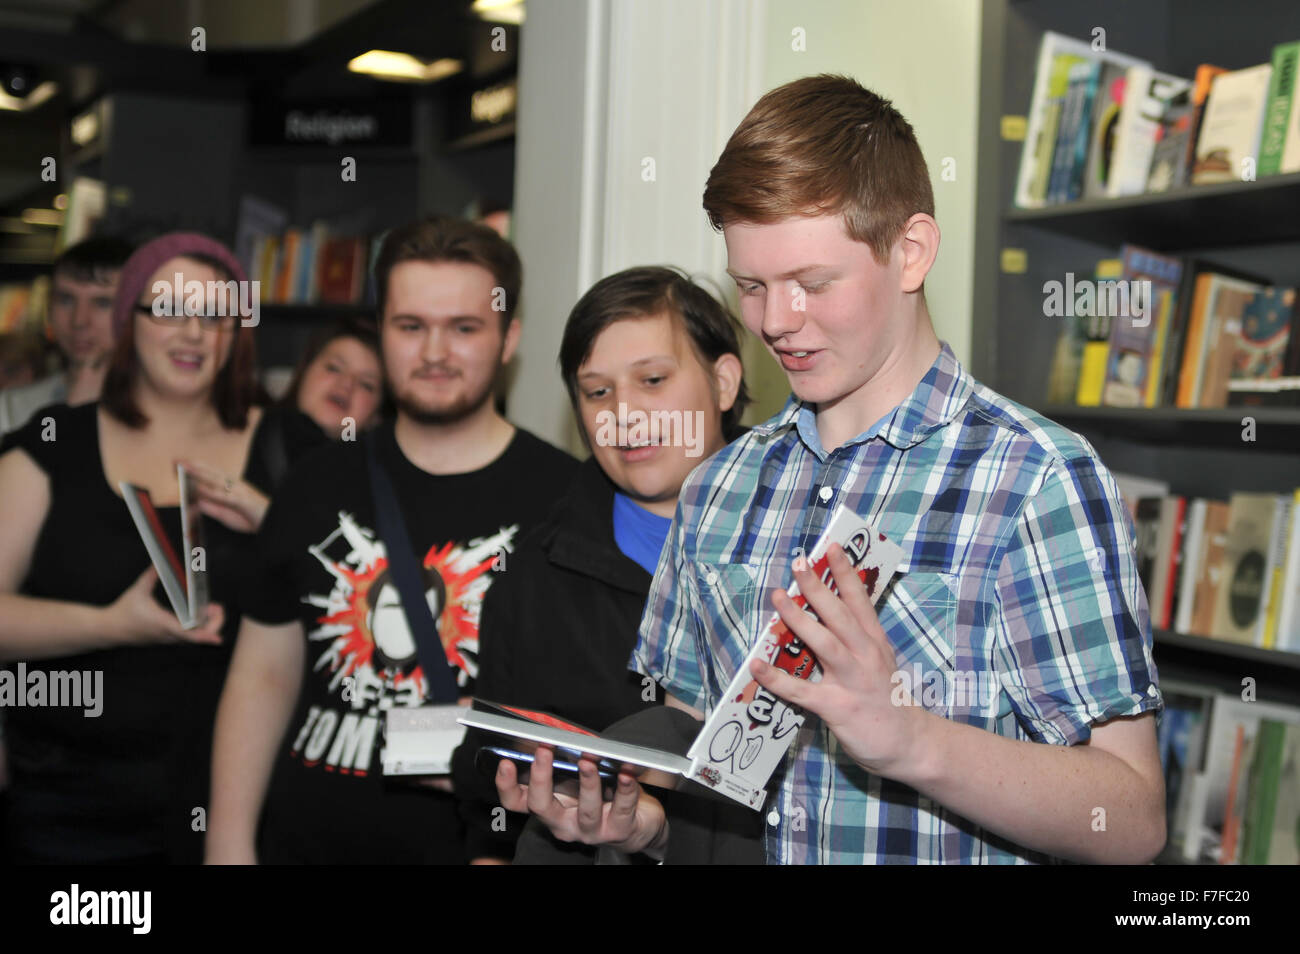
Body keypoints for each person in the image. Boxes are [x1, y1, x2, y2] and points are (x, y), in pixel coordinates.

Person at [497, 74, 1167, 865]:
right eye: (752, 286)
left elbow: (1130, 818)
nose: (776, 322)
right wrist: (644, 824)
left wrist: (911, 739)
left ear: (910, 251)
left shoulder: (1034, 480)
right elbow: (701, 762)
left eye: (812, 284)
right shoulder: (718, 486)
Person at [205, 216, 579, 865]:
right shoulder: (316, 481)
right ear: (382, 332)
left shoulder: (565, 499)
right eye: (411, 327)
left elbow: (578, 704)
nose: (435, 352)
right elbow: (264, 671)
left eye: (464, 327)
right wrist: (228, 844)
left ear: (509, 336)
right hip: (304, 845)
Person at [455, 265, 748, 863]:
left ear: (723, 382)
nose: (626, 413)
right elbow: (489, 807)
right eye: (597, 391)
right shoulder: (532, 573)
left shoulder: (801, 541)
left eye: (653, 379)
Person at [0, 231, 266, 864]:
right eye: (170, 308)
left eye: (215, 316)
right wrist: (112, 625)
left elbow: (347, 595)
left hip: (241, 803)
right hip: (71, 806)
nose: (194, 332)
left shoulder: (288, 445)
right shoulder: (52, 444)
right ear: (129, 324)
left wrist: (270, 517)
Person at [180, 316, 387, 533]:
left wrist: (268, 515)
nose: (346, 384)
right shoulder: (239, 423)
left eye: (366, 384)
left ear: (377, 417)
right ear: (304, 372)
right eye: (334, 368)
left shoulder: (375, 488)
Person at [0, 236, 134, 434]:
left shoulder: (174, 410)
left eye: (103, 303)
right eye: (66, 300)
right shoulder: (13, 409)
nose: (79, 321)